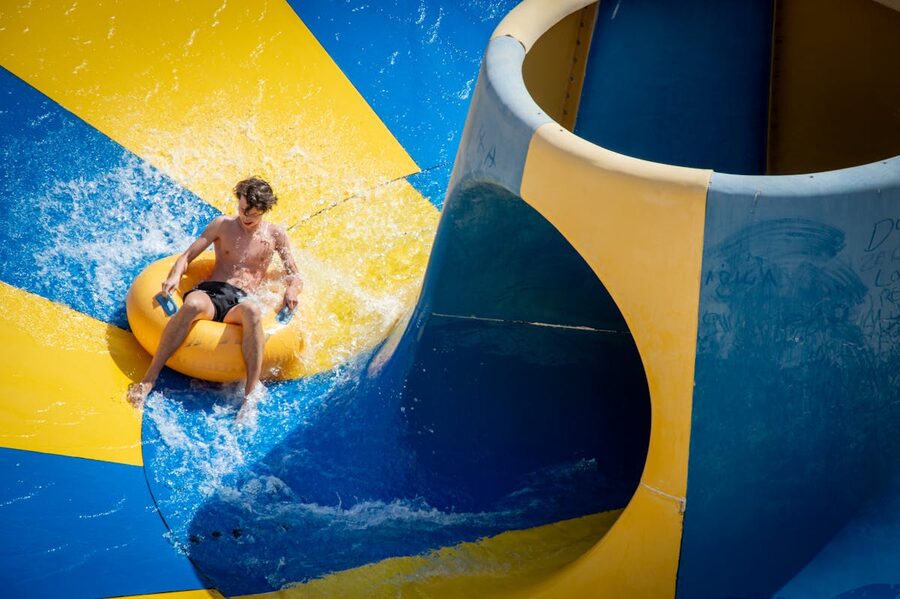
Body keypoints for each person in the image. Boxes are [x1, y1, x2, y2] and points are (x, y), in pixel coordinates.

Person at [127, 177, 302, 419]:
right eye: (242, 210)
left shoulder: (275, 235)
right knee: (192, 304)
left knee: (252, 311)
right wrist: (175, 275)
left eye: (253, 214)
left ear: (265, 209)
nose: (246, 217)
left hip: (242, 300)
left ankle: (250, 394)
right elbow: (187, 256)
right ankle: (149, 379)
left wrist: (292, 289)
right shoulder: (222, 225)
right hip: (213, 291)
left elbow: (294, 274)